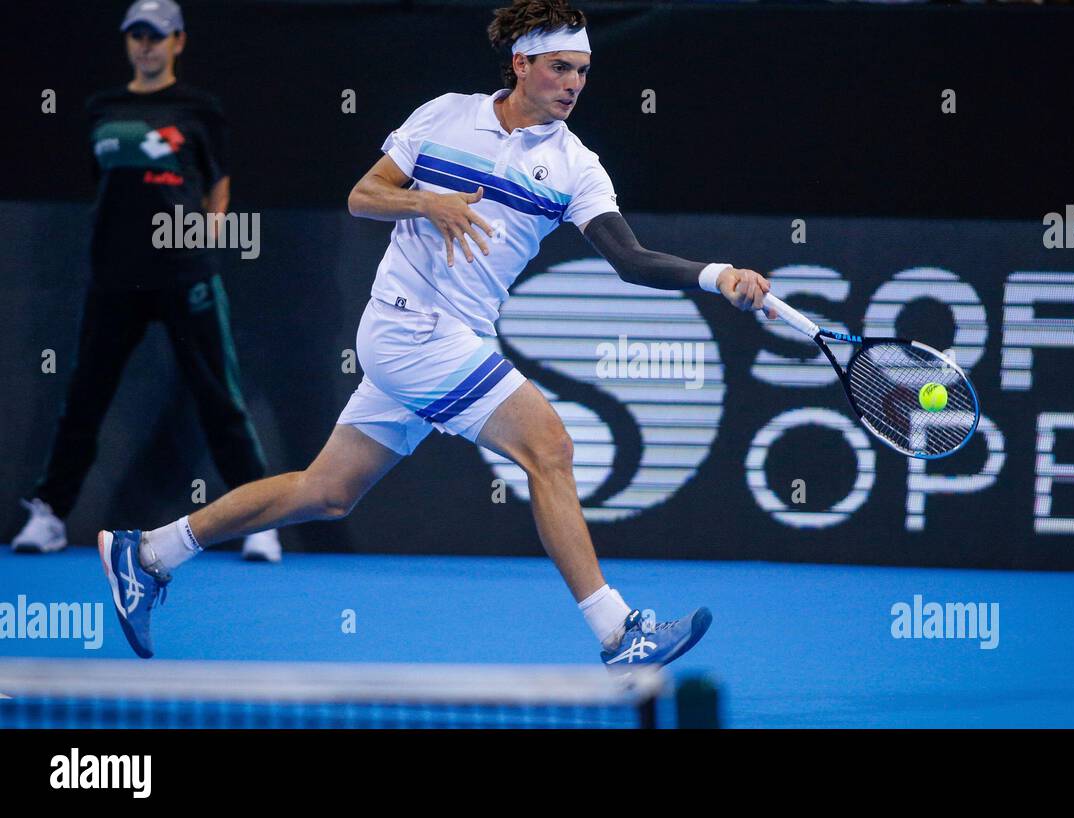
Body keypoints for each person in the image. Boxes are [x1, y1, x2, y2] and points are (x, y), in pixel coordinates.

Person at [98, 0, 777, 667]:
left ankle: (151, 552)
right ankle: (616, 633)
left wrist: (718, 275)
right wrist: (427, 200)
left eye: (582, 72)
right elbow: (363, 195)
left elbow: (631, 259)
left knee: (328, 492)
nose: (573, 84)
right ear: (522, 63)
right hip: (408, 326)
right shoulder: (445, 114)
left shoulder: (577, 166)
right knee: (551, 448)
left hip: (450, 338)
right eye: (559, 68)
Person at [16, 0, 281, 562]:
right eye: (136, 35)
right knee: (86, 395)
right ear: (127, 42)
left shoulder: (200, 109)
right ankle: (50, 515)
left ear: (178, 42)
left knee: (219, 400)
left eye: (156, 36)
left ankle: (259, 518)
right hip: (115, 277)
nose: (146, 45)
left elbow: (219, 185)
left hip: (187, 272)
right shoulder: (100, 109)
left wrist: (206, 237)